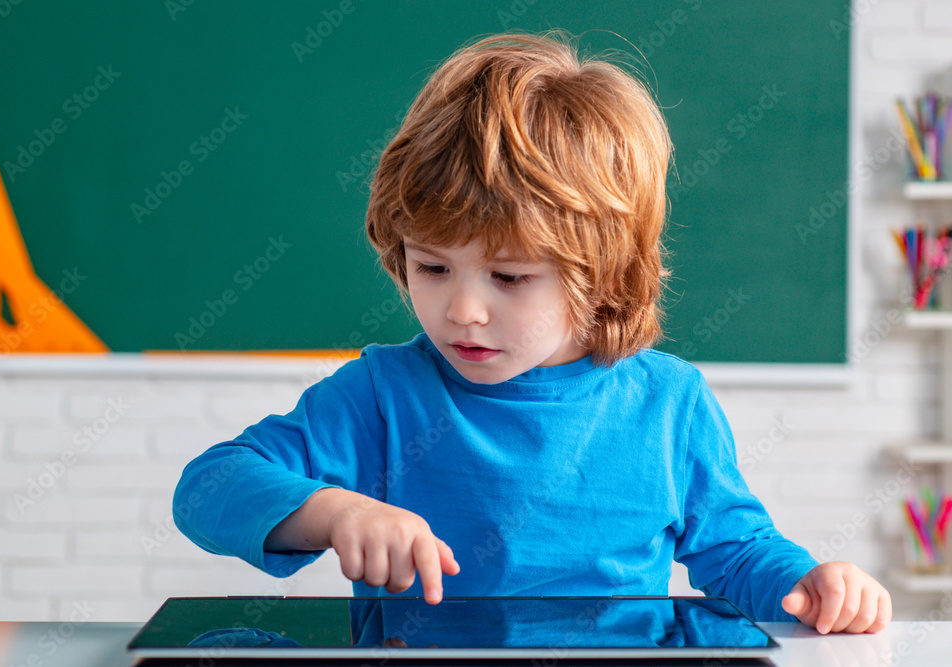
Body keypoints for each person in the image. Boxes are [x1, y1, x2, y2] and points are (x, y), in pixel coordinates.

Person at [174, 30, 891, 633]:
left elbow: (738, 552)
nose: (463, 310)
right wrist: (335, 513)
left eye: (510, 277)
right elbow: (208, 487)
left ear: (603, 273)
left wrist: (811, 582)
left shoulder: (670, 404)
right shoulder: (382, 396)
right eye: (432, 267)